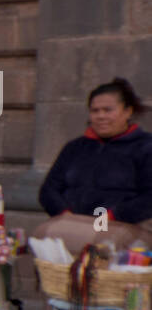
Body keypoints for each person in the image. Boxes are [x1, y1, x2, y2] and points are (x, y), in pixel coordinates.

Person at [36, 78, 152, 253]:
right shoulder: (75, 148)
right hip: (72, 220)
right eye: (95, 111)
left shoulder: (145, 147)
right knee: (41, 235)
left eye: (108, 110)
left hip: (124, 223)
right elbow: (49, 190)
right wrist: (64, 214)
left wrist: (112, 215)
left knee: (102, 246)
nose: (101, 116)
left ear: (127, 111)